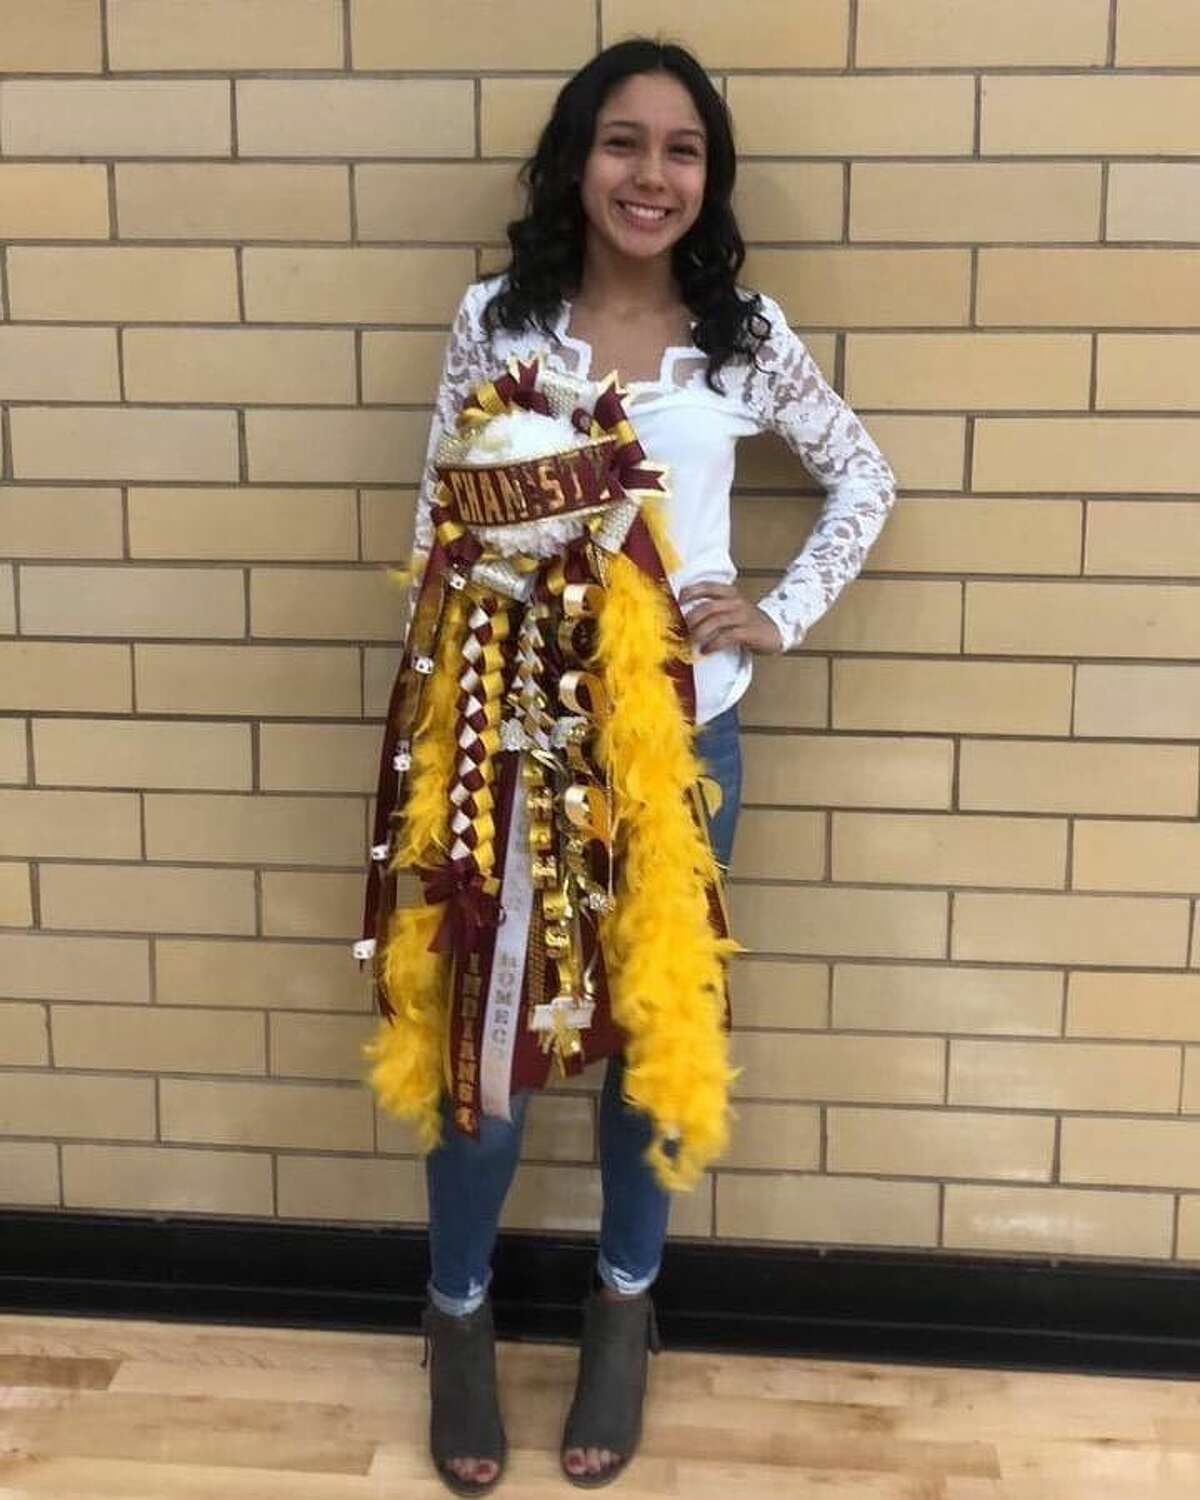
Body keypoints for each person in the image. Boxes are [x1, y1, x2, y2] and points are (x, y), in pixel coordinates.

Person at [406, 36, 897, 1495]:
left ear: (709, 179)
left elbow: (864, 476)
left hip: (686, 746)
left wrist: (778, 612)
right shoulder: (497, 320)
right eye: (624, 142)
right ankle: (455, 1316)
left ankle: (624, 1309)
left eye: (683, 151)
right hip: (513, 743)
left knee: (652, 1044)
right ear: (576, 159)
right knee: (485, 1050)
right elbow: (441, 514)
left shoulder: (745, 337)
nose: (651, 175)